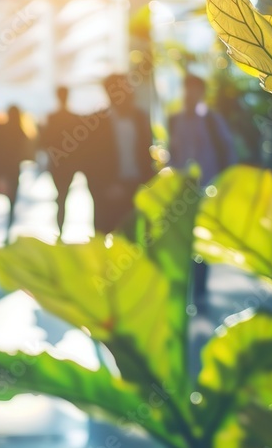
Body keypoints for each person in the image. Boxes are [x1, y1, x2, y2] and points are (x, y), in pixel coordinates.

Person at [168, 74, 238, 308]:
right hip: (182, 190)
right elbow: (172, 153)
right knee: (182, 238)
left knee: (200, 238)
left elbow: (227, 150)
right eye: (187, 89)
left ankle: (199, 289)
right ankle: (188, 287)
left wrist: (225, 184)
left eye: (194, 89)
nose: (189, 94)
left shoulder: (210, 120)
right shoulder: (175, 120)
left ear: (201, 93)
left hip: (206, 187)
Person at [85, 74, 155, 233]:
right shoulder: (97, 122)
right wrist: (105, 188)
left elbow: (146, 154)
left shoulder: (140, 117)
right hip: (109, 194)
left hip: (137, 189)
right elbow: (91, 161)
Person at [42, 86, 86, 237]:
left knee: (61, 195)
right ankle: (60, 227)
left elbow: (45, 141)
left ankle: (60, 228)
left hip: (59, 163)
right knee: (62, 195)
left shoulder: (53, 118)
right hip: (66, 163)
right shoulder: (72, 117)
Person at [0, 105, 29, 244]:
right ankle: (8, 231)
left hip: (3, 170)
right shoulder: (20, 131)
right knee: (12, 202)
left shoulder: (3, 130)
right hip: (14, 171)